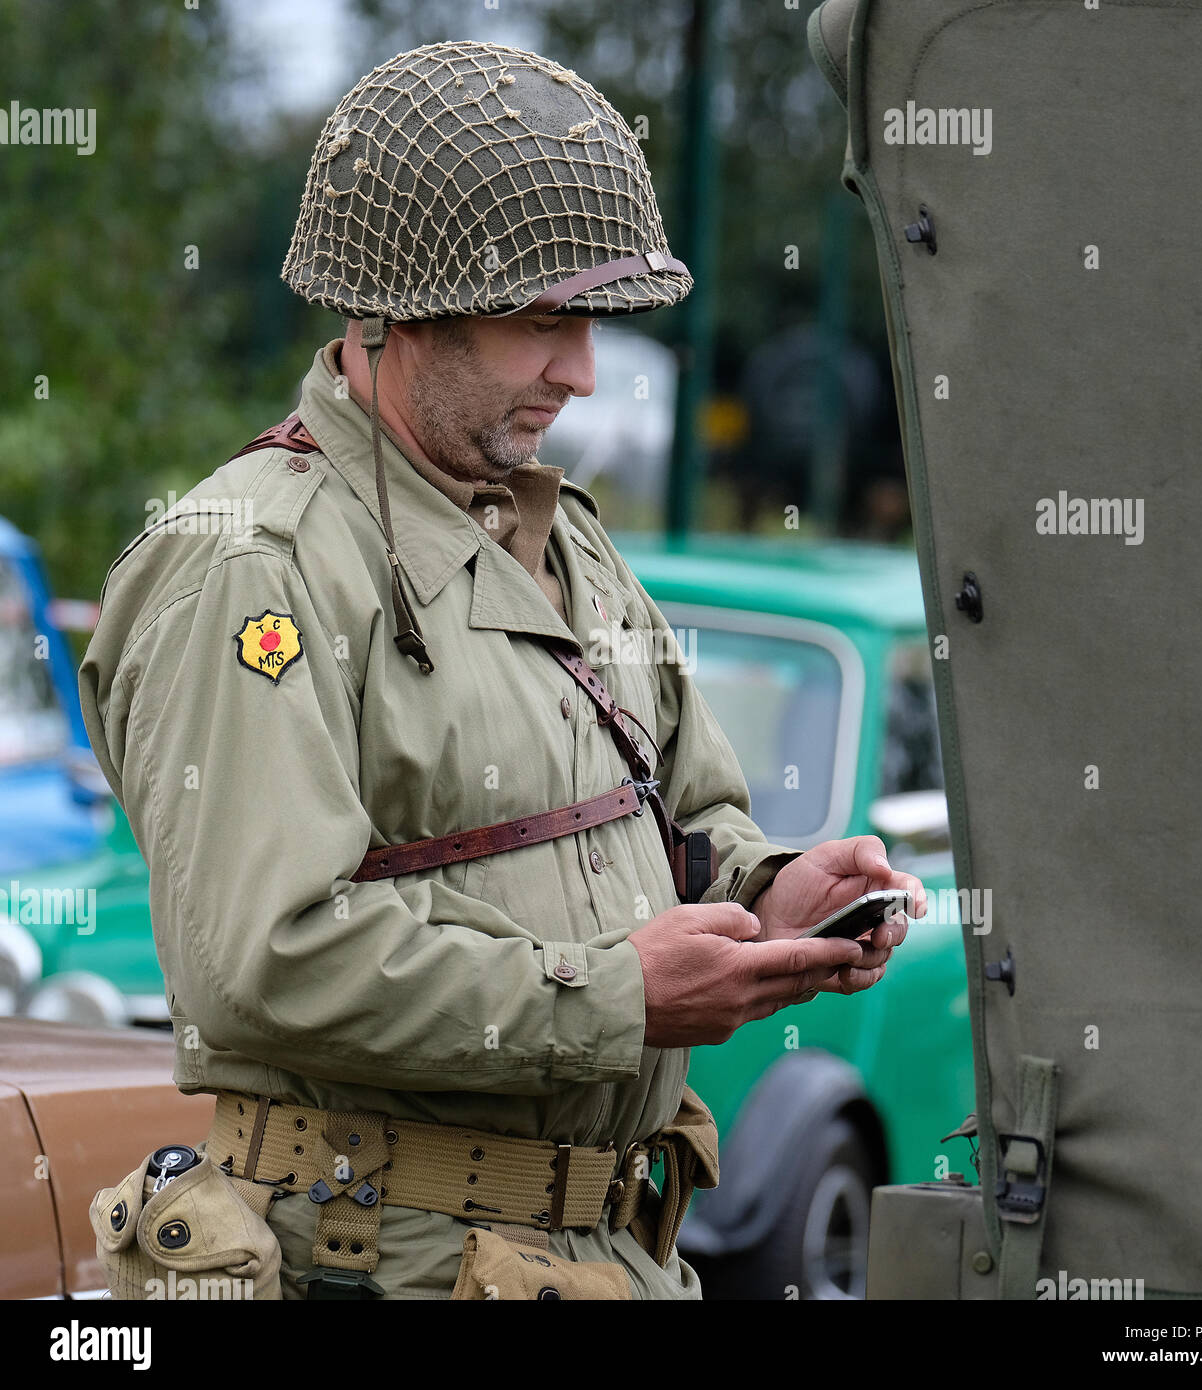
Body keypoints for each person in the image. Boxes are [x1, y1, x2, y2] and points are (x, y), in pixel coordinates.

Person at [78, 39, 924, 1301]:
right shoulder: (251, 567)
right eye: (541, 320)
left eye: (589, 321)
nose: (581, 371)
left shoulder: (563, 538)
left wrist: (774, 896)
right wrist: (616, 997)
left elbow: (681, 814)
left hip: (592, 1252)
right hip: (368, 1260)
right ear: (392, 312)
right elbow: (265, 960)